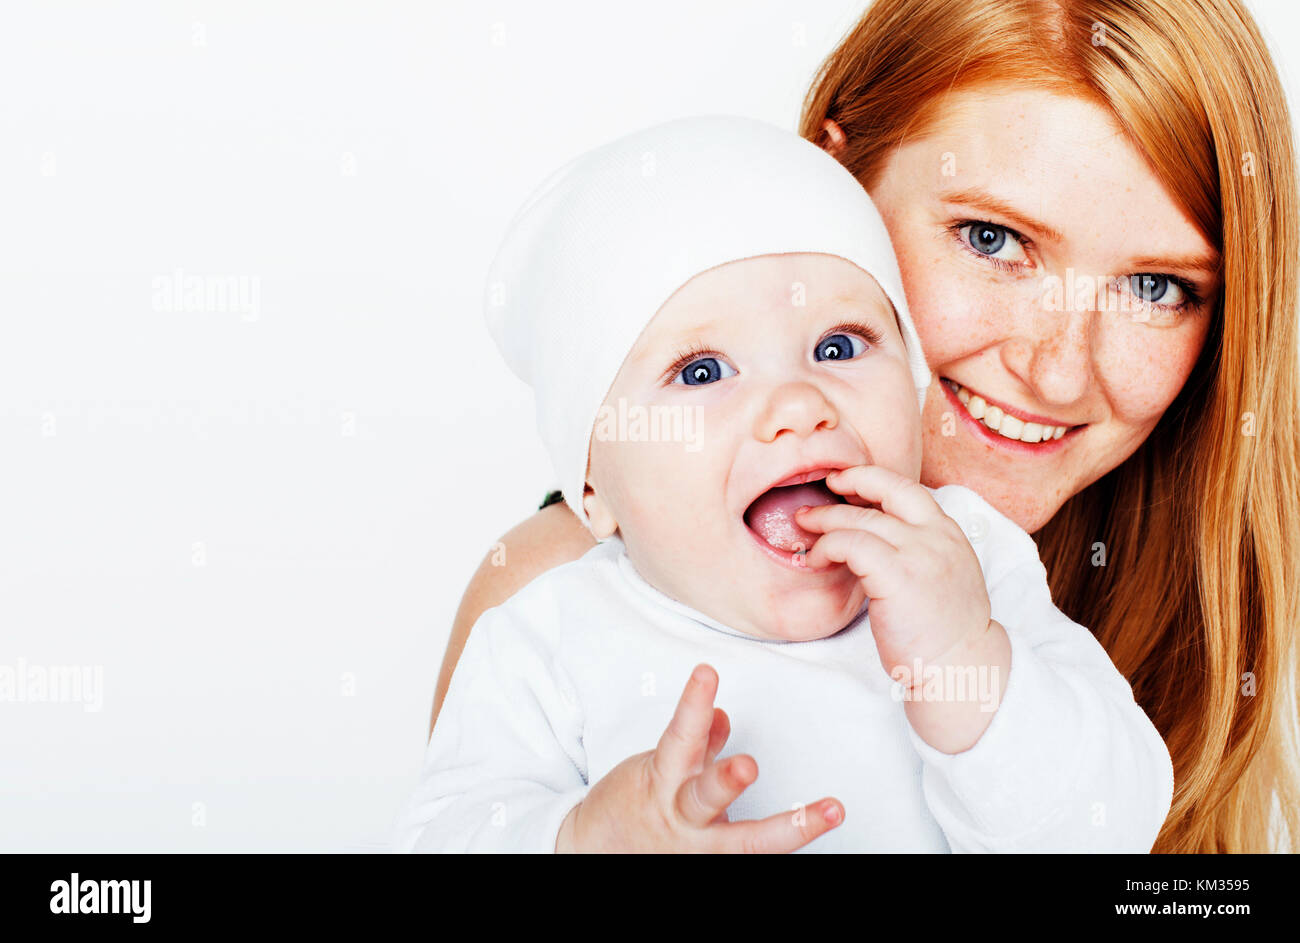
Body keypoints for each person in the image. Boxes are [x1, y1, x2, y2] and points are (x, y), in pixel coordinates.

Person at [432, 0, 1300, 852]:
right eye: (991, 238)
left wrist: (965, 667)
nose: (1060, 371)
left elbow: (1104, 824)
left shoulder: (1003, 576)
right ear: (832, 184)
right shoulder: (555, 607)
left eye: (1155, 287)